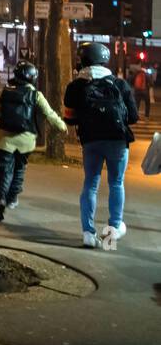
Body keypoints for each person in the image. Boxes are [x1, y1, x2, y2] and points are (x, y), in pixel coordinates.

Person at [63, 42, 137, 249]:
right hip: (117, 141)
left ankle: (88, 233)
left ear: (82, 60)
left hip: (91, 141)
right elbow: (133, 116)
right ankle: (114, 228)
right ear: (105, 60)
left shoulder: (75, 86)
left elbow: (69, 118)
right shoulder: (119, 84)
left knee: (90, 184)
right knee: (116, 183)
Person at [0, 61, 66, 222]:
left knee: (3, 170)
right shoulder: (36, 95)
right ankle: (12, 199)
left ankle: (0, 199)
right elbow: (49, 113)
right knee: (19, 169)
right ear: (32, 78)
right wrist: (62, 126)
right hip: (26, 140)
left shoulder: (3, 92)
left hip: (3, 138)